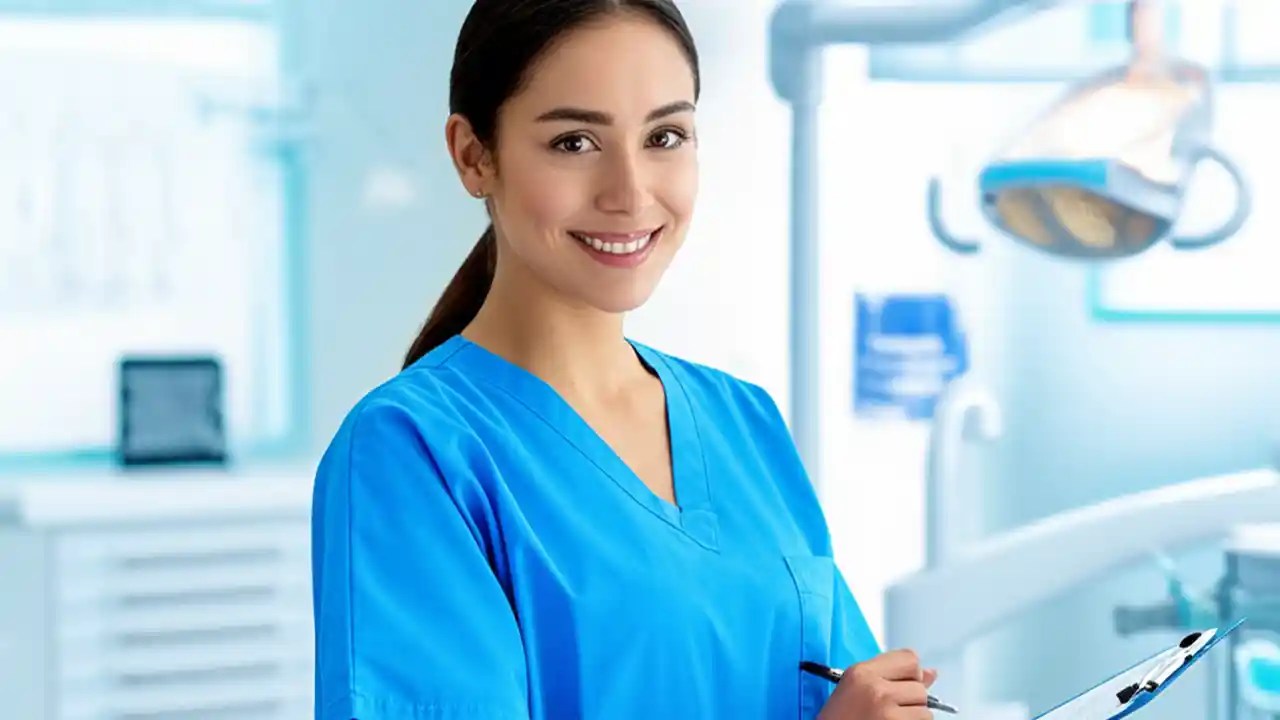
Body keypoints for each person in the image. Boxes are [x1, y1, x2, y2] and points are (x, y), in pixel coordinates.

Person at [310, 1, 939, 718]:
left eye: (664, 136)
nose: (631, 194)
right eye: (575, 142)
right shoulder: (411, 451)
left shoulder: (744, 420)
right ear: (474, 156)